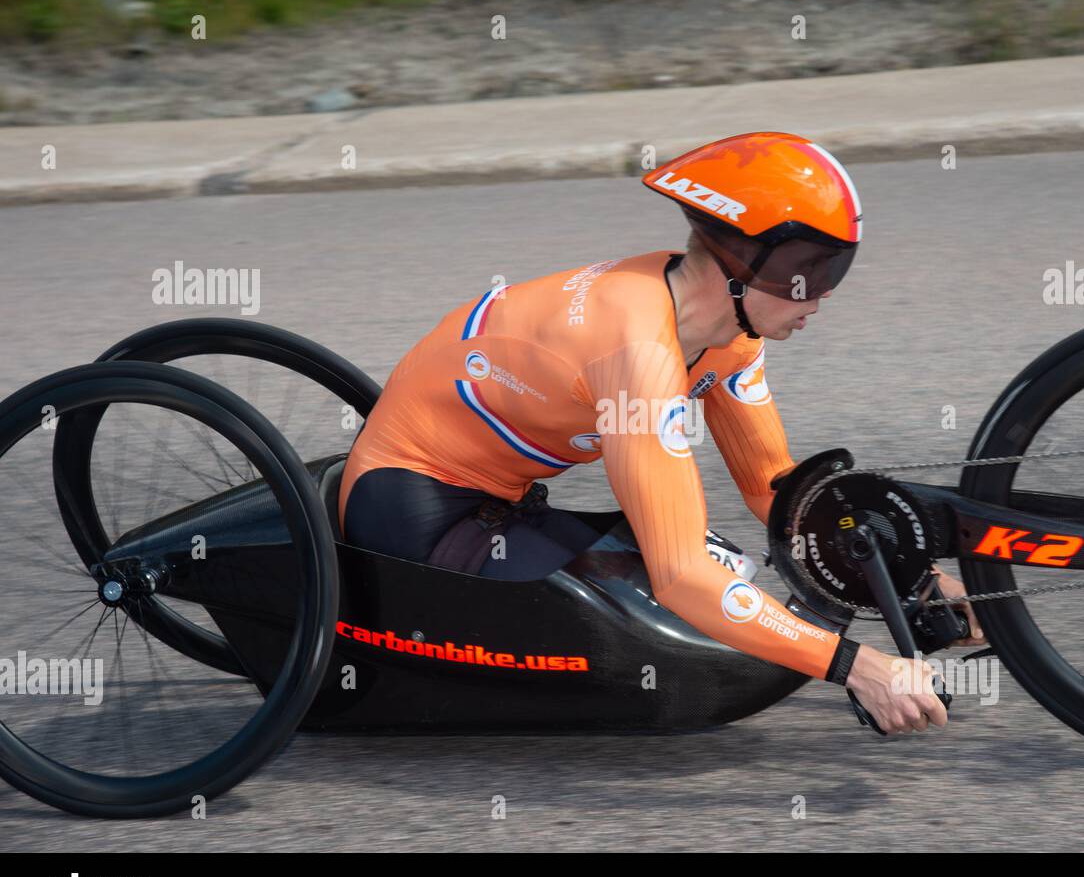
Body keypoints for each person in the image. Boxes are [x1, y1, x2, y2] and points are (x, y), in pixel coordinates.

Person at [338, 131, 982, 734]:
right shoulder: (637, 358)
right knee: (662, 629)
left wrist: (921, 585)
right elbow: (681, 575)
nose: (823, 296)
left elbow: (775, 493)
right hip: (414, 514)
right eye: (808, 272)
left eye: (836, 269)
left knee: (731, 573)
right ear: (737, 262)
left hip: (498, 500)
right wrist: (860, 668)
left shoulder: (725, 330)